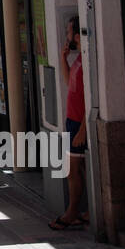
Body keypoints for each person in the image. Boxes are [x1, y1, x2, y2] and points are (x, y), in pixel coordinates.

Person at [51, 16, 88, 230]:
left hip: (78, 124)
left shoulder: (86, 62)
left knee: (72, 170)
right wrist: (63, 59)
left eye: (67, 32)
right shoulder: (78, 60)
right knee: (77, 169)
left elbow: (91, 100)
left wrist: (82, 129)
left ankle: (72, 212)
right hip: (72, 120)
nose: (66, 36)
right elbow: (68, 84)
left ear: (75, 36)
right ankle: (81, 211)